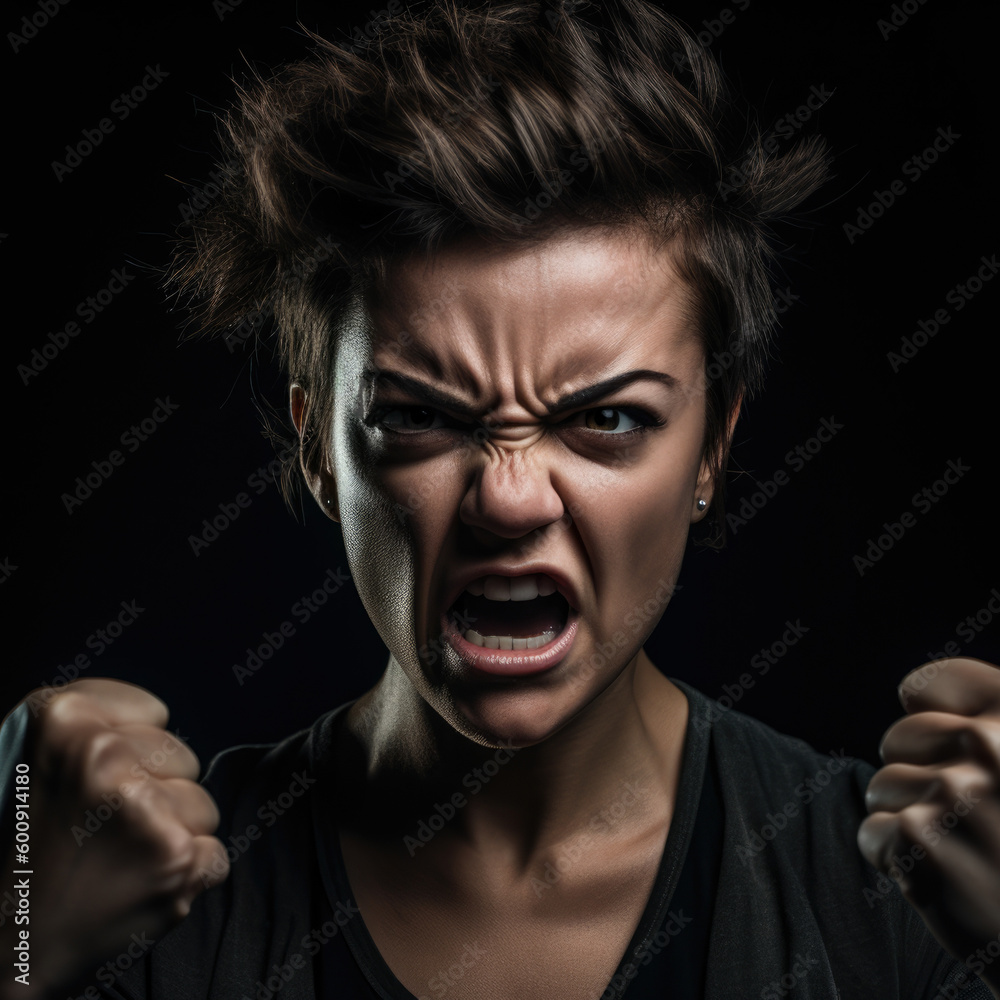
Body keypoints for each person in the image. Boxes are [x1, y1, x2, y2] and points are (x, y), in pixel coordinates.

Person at [2, 0, 999, 997]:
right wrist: (12, 939)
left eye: (607, 418)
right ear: (317, 447)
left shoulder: (892, 900)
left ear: (712, 449)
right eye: (420, 416)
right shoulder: (140, 903)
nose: (510, 502)